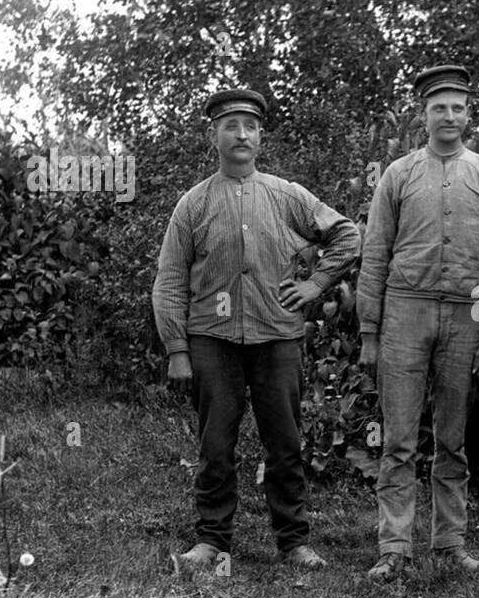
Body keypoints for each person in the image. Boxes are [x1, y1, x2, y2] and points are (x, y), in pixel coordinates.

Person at [153, 88, 360, 573]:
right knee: (215, 444)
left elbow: (347, 235)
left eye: (249, 126)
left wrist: (315, 285)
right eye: (231, 126)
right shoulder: (193, 204)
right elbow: (169, 281)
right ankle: (210, 541)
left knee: (285, 444)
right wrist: (177, 350)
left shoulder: (289, 197)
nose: (241, 134)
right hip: (212, 341)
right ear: (215, 136)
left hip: (277, 338)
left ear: (260, 135)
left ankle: (293, 542)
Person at [356, 65, 479, 582]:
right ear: (423, 114)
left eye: (458, 108)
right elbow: (375, 254)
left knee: (452, 437)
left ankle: (451, 543)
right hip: (405, 311)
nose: (448, 117)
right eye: (438, 108)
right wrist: (369, 333)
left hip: (466, 317)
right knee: (398, 439)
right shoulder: (399, 174)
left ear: (469, 115)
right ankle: (394, 547)